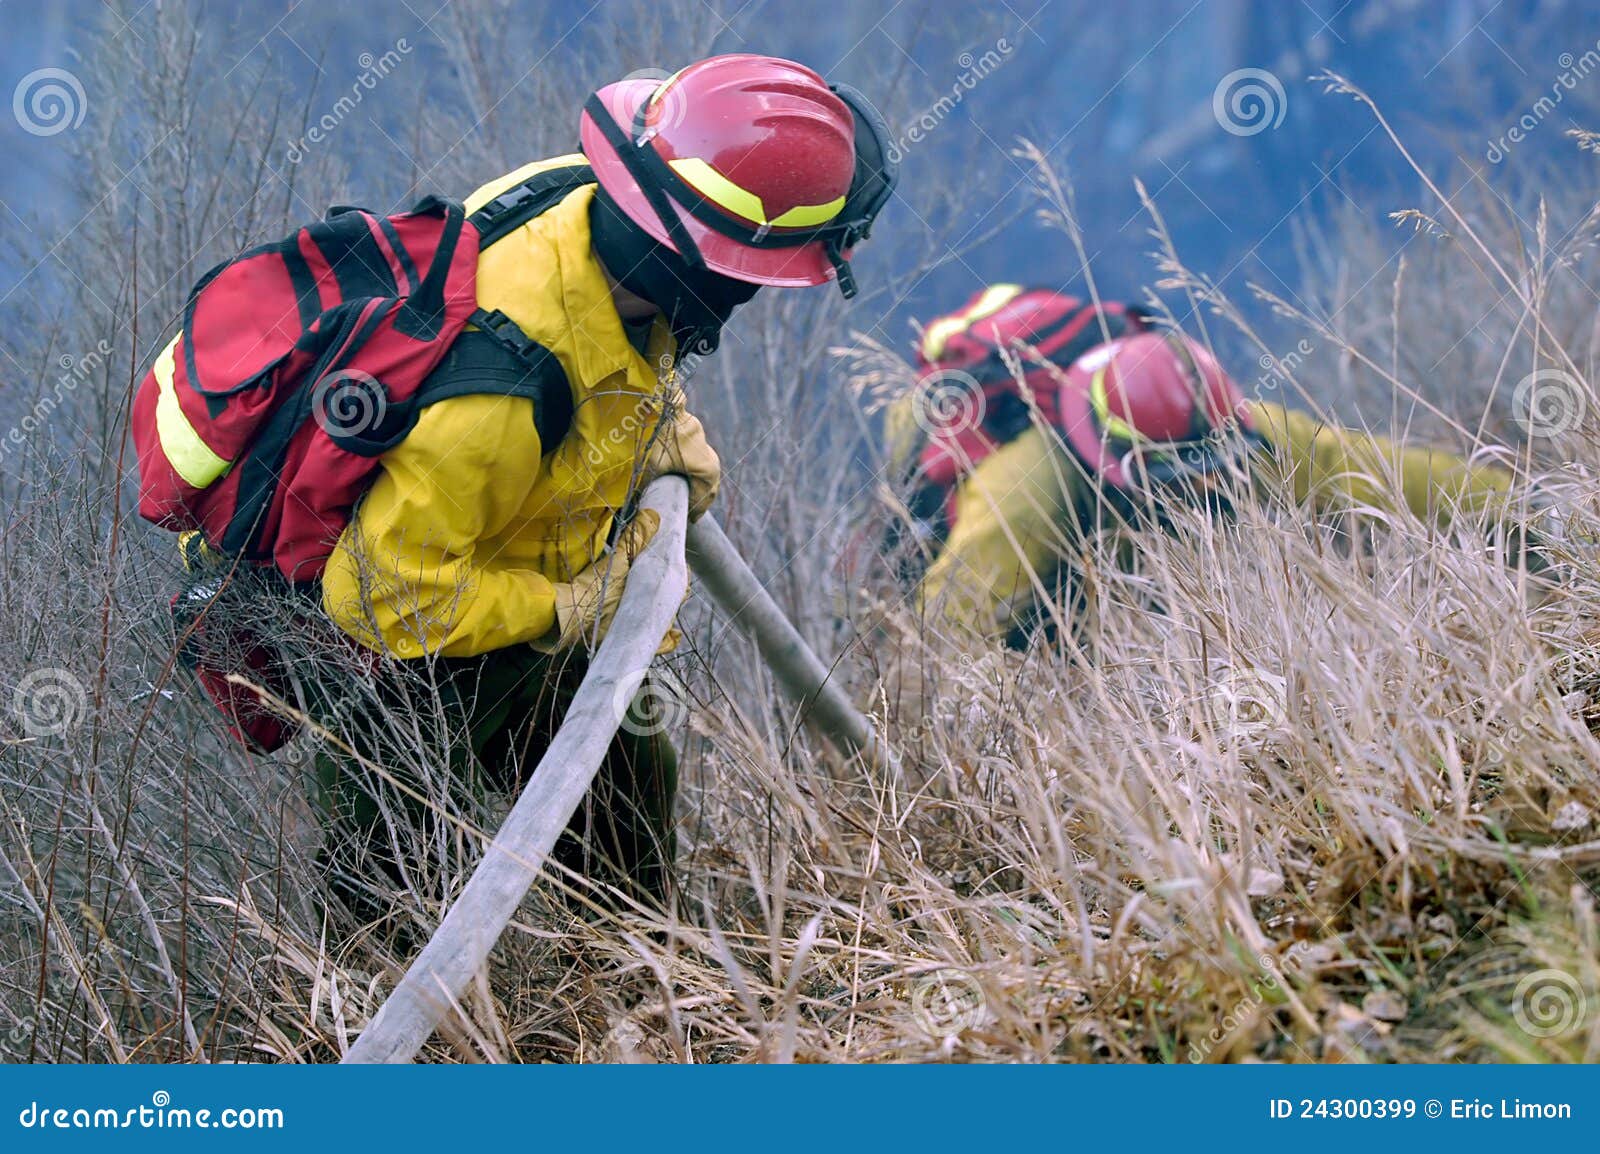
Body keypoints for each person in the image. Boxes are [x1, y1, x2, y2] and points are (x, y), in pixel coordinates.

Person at [275, 54, 894, 922]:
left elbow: (604, 345)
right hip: (402, 665)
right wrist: (573, 605)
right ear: (716, 273)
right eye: (759, 275)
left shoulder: (592, 200)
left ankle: (635, 984)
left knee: (628, 800)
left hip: (509, 582)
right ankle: (375, 1002)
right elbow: (380, 598)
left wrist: (666, 435)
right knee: (396, 894)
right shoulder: (494, 400)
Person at [883, 285, 1531, 646]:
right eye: (1177, 473)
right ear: (1115, 456)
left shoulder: (1226, 421)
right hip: (1019, 546)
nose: (1204, 481)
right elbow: (944, 637)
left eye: (1211, 463)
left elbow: (1365, 469)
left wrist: (1523, 508)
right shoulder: (1024, 495)